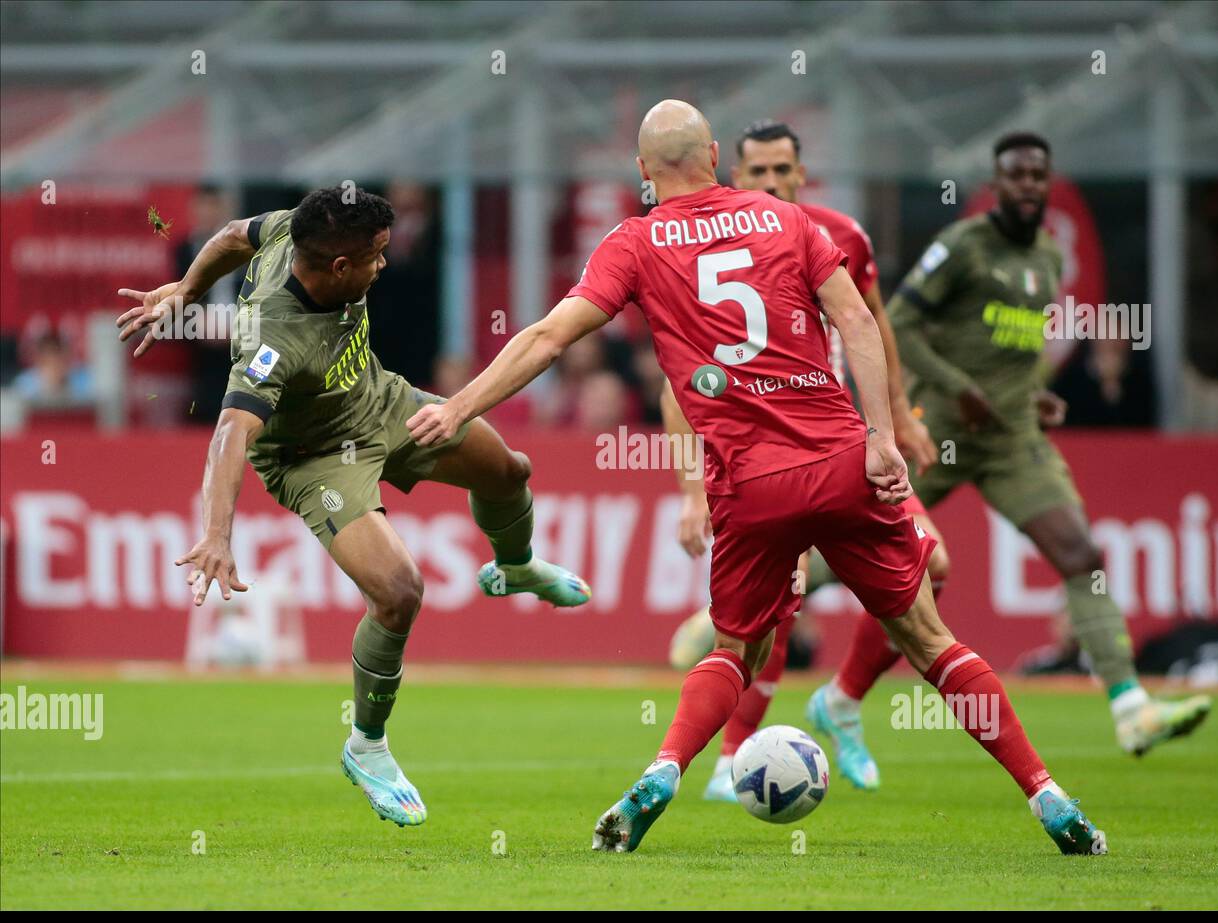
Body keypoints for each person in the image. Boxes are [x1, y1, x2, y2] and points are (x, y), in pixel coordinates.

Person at [406, 101, 1107, 856]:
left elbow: (546, 337)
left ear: (644, 172)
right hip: (842, 463)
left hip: (749, 485)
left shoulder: (633, 242)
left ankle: (664, 770)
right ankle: (1047, 794)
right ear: (716, 154)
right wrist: (882, 437)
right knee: (932, 640)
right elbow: (861, 324)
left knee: (736, 647)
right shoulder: (789, 223)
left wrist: (459, 407)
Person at [115, 186, 591, 828]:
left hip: (378, 401)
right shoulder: (275, 342)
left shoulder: (293, 229)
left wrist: (186, 288)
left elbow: (230, 234)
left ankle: (517, 565)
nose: (383, 265)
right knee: (399, 590)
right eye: (376, 256)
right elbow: (231, 430)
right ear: (340, 268)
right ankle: (366, 745)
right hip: (314, 457)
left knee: (509, 471)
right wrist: (216, 533)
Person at [890, 132, 1210, 755]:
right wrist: (958, 389)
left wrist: (1032, 392)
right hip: (943, 429)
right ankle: (722, 626)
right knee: (854, 536)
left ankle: (1131, 708)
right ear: (997, 182)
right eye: (1016, 175)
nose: (1028, 185)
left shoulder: (1048, 259)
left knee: (1081, 552)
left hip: (1012, 438)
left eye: (1039, 175)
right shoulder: (962, 247)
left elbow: (1023, 347)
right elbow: (899, 322)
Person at [660, 119, 949, 799]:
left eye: (779, 171)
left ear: (800, 172)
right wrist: (690, 487)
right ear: (732, 173)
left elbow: (872, 322)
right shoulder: (712, 248)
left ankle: (841, 698)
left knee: (933, 562)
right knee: (775, 610)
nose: (768, 182)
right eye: (754, 171)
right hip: (763, 454)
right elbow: (681, 375)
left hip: (843, 442)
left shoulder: (840, 235)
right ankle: (730, 761)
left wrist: (898, 416)